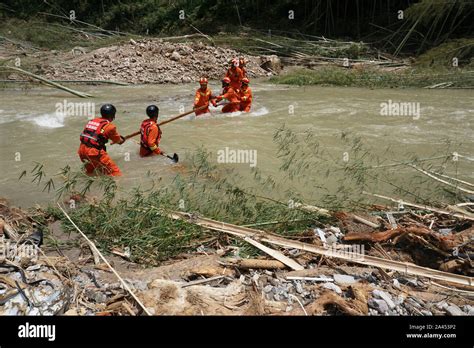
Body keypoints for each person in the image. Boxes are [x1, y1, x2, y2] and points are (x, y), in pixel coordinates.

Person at [78, 104, 125, 176]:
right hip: (94, 153)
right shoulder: (110, 127)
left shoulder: (92, 121)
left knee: (90, 172)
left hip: (82, 151)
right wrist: (121, 141)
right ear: (113, 115)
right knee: (115, 173)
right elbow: (117, 140)